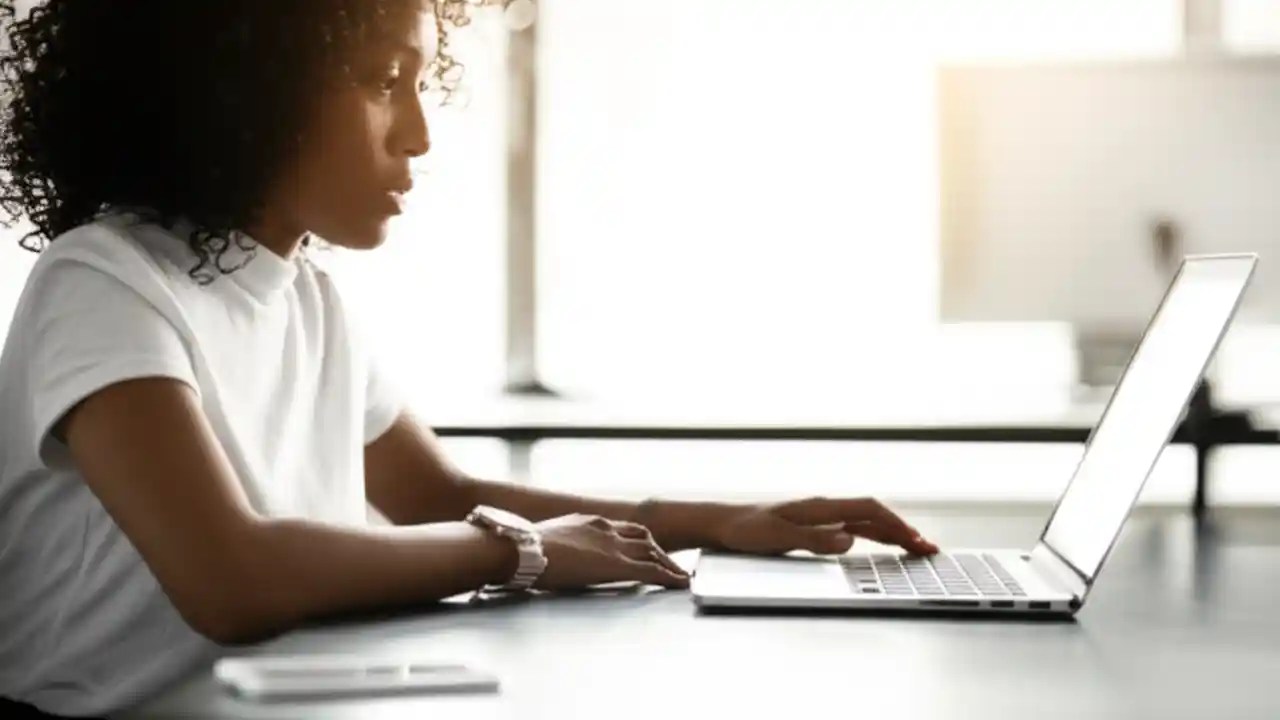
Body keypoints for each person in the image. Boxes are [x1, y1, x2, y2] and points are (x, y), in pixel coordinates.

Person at [0, 1, 939, 717]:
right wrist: (525, 553)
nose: (416, 132)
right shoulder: (104, 281)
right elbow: (231, 580)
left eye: (417, 82)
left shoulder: (307, 297)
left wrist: (724, 521)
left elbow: (437, 498)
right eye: (382, 81)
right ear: (244, 89)